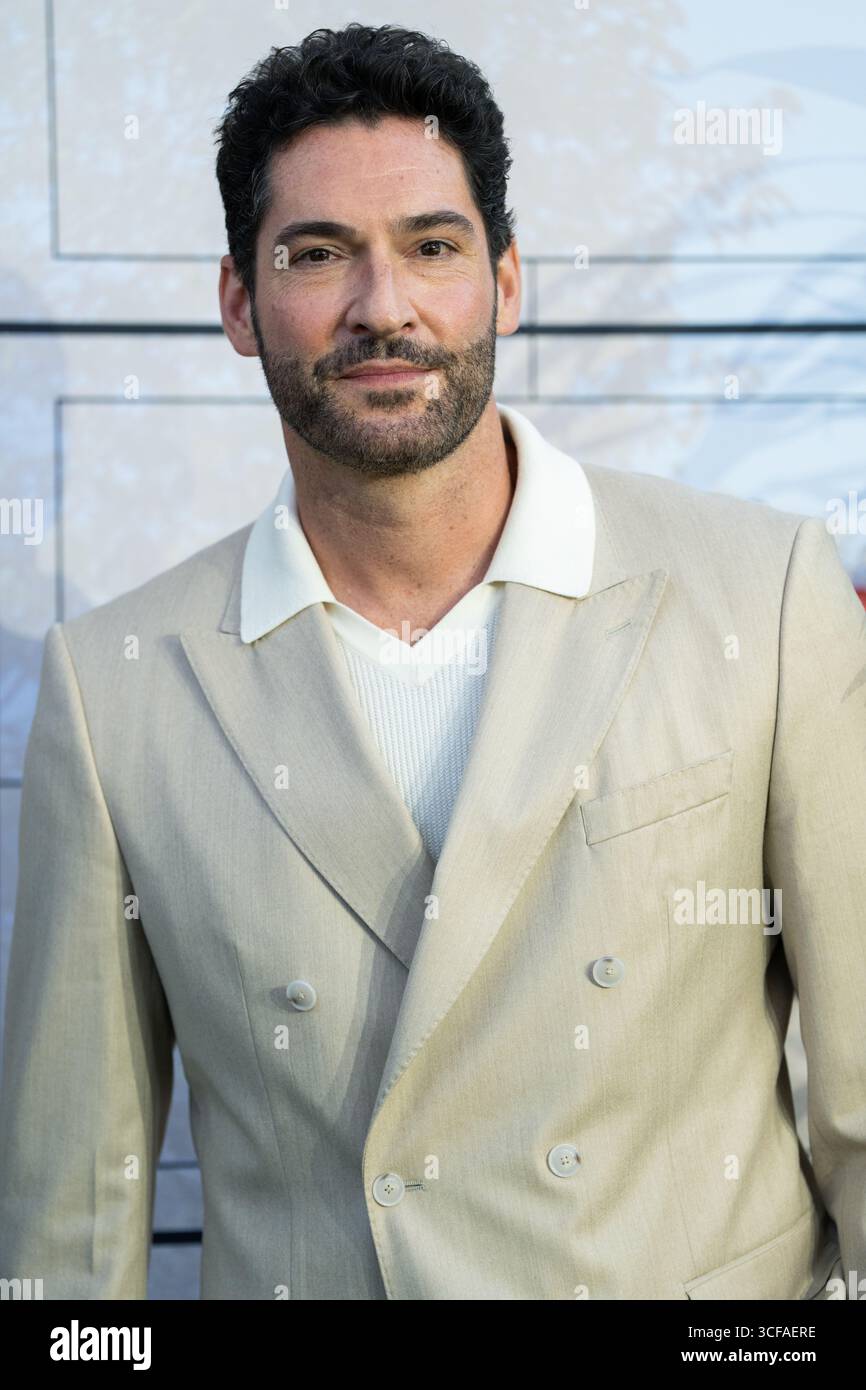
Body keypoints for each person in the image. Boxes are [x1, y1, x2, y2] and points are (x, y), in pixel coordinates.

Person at [1, 22, 863, 1302]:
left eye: (431, 246)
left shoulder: (765, 595)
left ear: (505, 282)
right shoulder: (111, 686)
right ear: (239, 303)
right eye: (315, 254)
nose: (382, 306)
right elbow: (72, 1230)